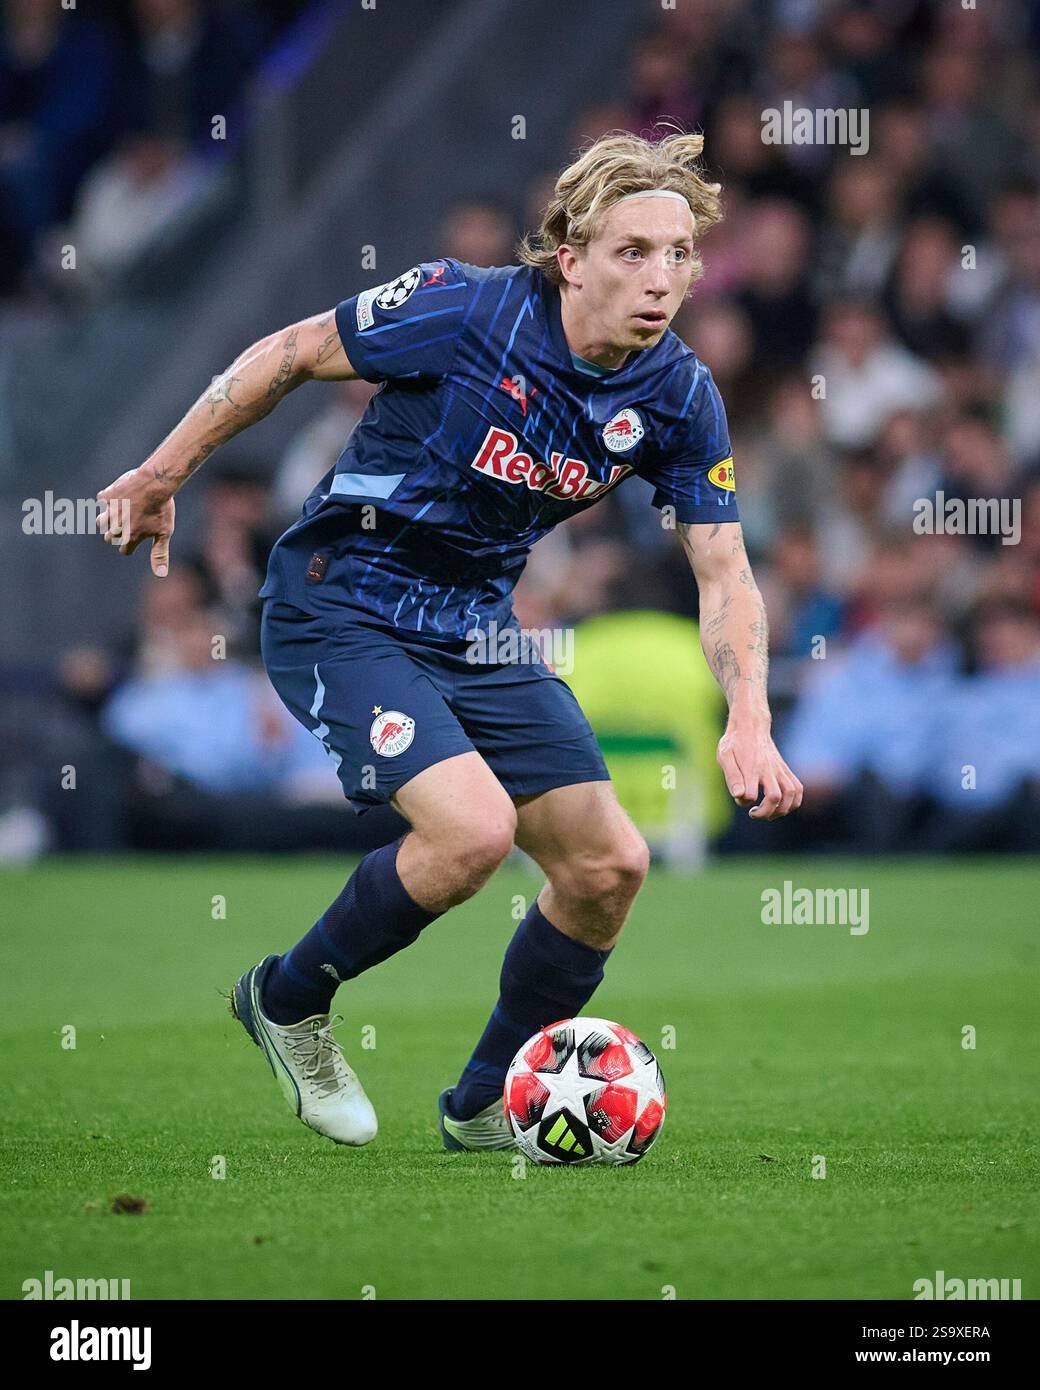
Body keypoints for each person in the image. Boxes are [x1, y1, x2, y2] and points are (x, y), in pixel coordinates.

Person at [96, 131, 802, 1153]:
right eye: (631, 252)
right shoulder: (464, 306)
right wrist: (162, 471)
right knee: (469, 832)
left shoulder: (679, 394)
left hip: (474, 628)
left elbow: (725, 572)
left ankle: (480, 1101)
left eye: (679, 255)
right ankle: (286, 1000)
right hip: (341, 602)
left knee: (608, 865)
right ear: (571, 258)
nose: (661, 279)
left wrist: (748, 718)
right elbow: (290, 354)